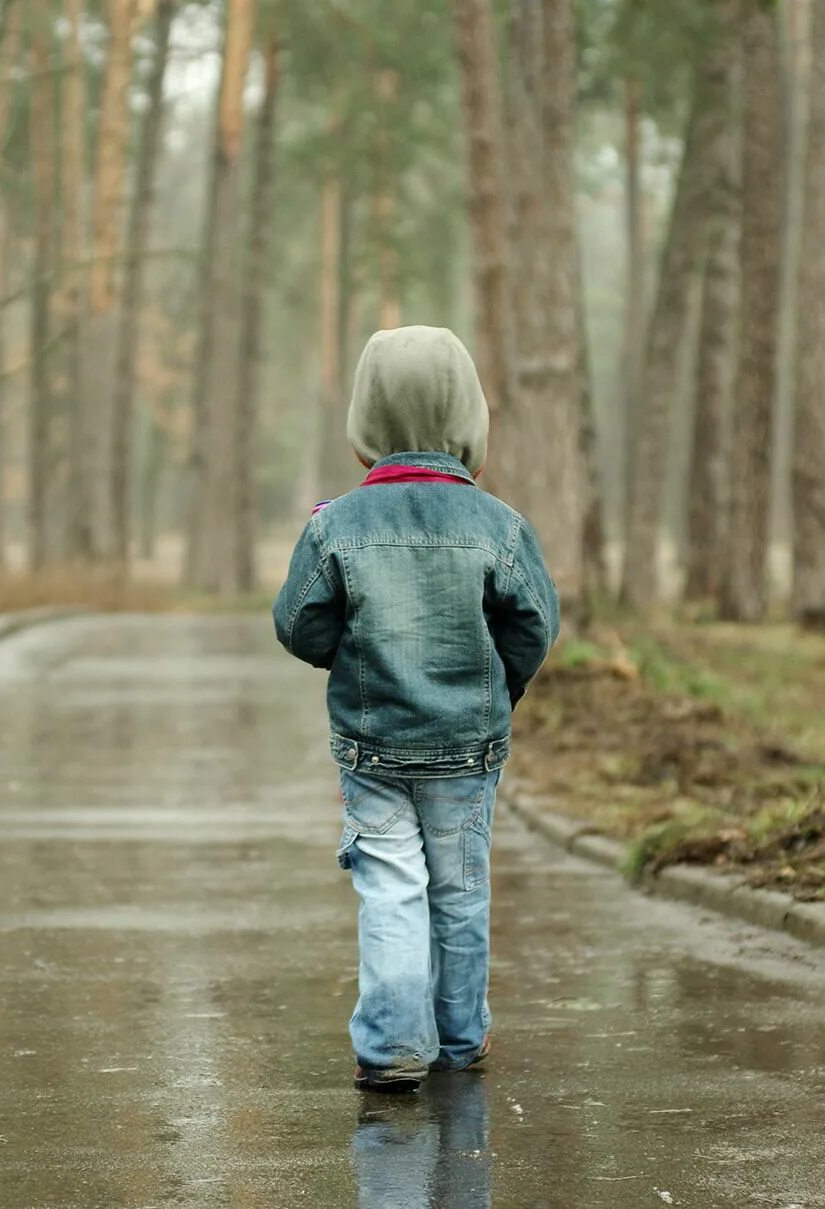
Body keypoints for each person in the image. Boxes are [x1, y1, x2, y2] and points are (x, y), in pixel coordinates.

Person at [272, 325, 559, 1093]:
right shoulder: (499, 524)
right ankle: (460, 1038)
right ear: (470, 419)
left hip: (373, 745)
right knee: (460, 891)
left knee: (391, 885)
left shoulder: (335, 525)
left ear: (365, 422)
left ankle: (394, 1042)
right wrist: (498, 683)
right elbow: (535, 624)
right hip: (468, 743)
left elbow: (297, 622)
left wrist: (351, 654)